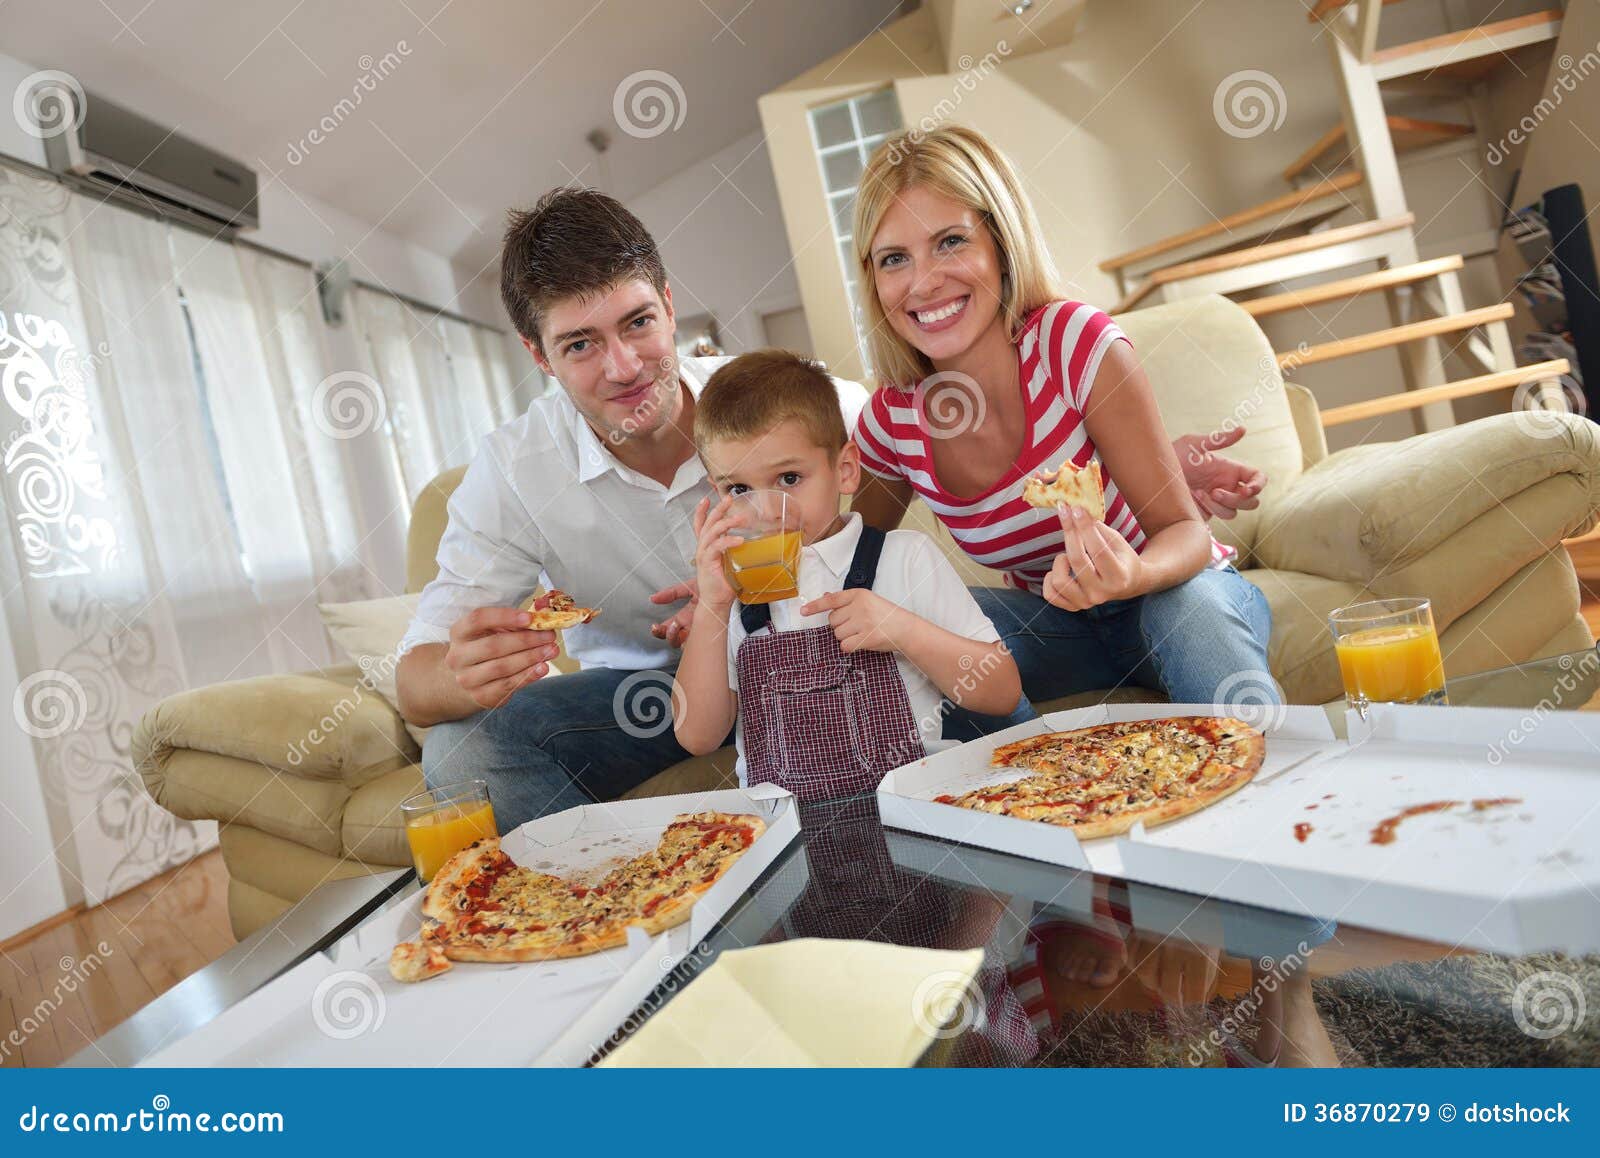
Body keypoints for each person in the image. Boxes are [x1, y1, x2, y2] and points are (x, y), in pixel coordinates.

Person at [396, 185, 1269, 834]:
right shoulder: (513, 473)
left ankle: (1059, 837)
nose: (623, 366)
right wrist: (458, 676)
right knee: (460, 751)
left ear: (667, 301)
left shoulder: (778, 404)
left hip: (826, 651)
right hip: (667, 693)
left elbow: (899, 447)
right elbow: (415, 675)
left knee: (927, 643)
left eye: (636, 324)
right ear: (537, 357)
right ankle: (612, 920)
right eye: (581, 345)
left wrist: (1140, 465)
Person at [848, 124, 1276, 711]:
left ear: (1001, 245)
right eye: (894, 258)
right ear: (872, 279)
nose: (924, 282)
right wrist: (736, 594)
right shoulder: (892, 420)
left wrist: (1131, 576)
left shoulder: (1073, 345)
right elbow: (844, 562)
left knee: (1192, 609)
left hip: (1170, 594)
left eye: (950, 242)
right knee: (926, 635)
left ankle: (1268, 784)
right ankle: (1020, 797)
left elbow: (1186, 534)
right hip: (1058, 630)